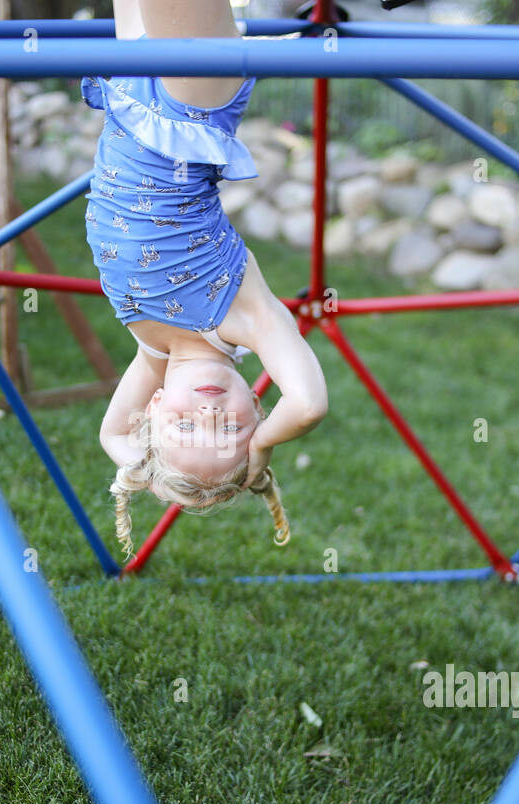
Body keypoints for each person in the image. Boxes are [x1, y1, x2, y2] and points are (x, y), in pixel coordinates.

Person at [85, 0, 329, 561]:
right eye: (234, 436)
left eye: (187, 432)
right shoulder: (250, 321)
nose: (212, 420)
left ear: (153, 409)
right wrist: (259, 455)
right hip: (188, 107)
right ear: (261, 412)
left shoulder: (153, 350)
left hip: (130, 96)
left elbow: (113, 437)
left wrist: (143, 468)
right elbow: (311, 405)